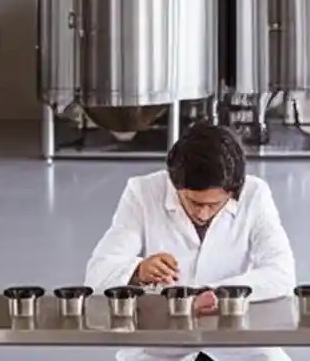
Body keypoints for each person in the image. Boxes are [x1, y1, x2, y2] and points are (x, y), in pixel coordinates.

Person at [85, 124, 296, 361]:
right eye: (194, 203)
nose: (203, 214)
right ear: (174, 186)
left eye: (214, 204)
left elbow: (282, 273)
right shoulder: (143, 193)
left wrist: (216, 294)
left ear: (233, 191)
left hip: (239, 345)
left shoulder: (255, 194)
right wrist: (137, 271)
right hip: (163, 347)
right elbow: (97, 276)